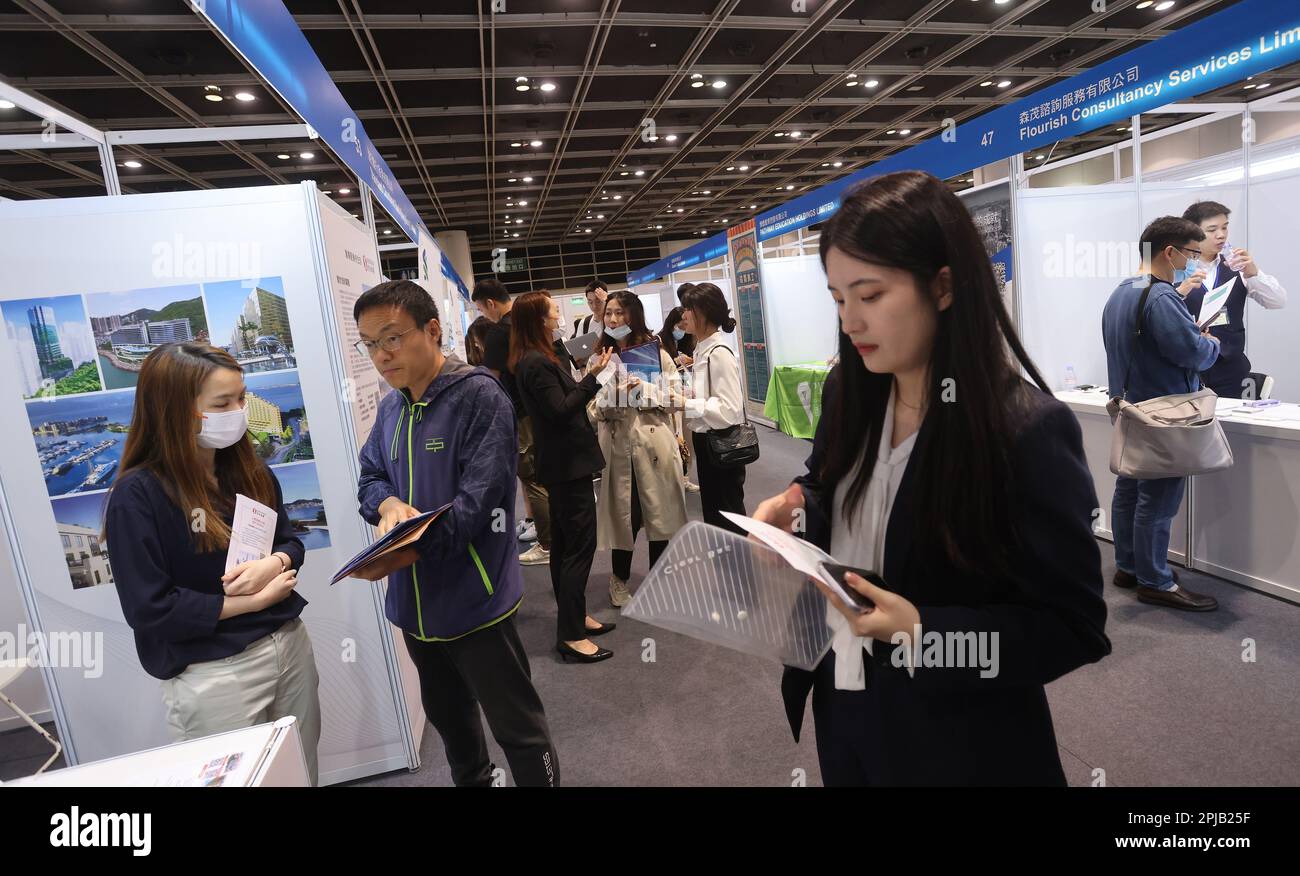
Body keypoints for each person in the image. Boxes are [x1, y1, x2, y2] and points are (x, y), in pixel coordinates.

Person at [756, 170, 1111, 786]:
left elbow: (1071, 628)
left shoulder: (1022, 432)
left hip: (960, 738)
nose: (850, 322)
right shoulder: (850, 393)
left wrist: (923, 633)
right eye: (839, 299)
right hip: (844, 702)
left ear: (943, 287)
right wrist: (793, 505)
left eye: (870, 296)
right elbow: (827, 481)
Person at [354, 280, 558, 787]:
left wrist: (401, 550)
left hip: (476, 600)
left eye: (392, 338)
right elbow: (370, 478)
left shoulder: (479, 397)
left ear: (432, 329)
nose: (381, 355)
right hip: (415, 608)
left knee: (518, 730)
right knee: (454, 729)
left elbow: (478, 507)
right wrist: (388, 503)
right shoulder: (391, 408)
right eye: (370, 343)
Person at [104, 343, 321, 784]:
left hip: (288, 646)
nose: (239, 411)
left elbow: (290, 542)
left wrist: (276, 561)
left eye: (241, 398)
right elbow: (151, 608)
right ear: (175, 411)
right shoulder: (138, 496)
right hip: (215, 673)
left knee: (301, 772)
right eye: (223, 403)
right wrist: (252, 600)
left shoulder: (249, 471)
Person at [1102, 218, 1222, 611]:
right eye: (1190, 253)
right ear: (1169, 252)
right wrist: (1210, 344)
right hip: (1164, 414)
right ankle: (1156, 581)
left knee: (1129, 489)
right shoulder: (1161, 297)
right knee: (1159, 498)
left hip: (1132, 408)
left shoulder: (1122, 292)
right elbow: (1189, 352)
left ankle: (1129, 567)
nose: (1193, 261)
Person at [510, 291, 617, 663]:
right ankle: (571, 635)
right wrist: (594, 377)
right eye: (554, 310)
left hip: (564, 464)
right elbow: (560, 411)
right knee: (578, 549)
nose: (559, 314)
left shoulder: (538, 358)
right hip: (567, 465)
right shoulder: (536, 362)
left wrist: (586, 378)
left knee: (566, 548)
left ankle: (575, 618)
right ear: (540, 319)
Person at [589, 291, 688, 608]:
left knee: (660, 515)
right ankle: (618, 580)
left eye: (620, 313)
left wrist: (645, 389)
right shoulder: (598, 359)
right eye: (609, 314)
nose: (614, 320)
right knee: (625, 517)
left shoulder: (656, 352)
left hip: (654, 442)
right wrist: (611, 396)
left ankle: (661, 578)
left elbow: (677, 399)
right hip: (617, 447)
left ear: (634, 315)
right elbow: (588, 410)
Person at [472, 278, 550, 566]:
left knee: (532, 480)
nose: (483, 315)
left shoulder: (498, 332)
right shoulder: (527, 323)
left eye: (481, 309)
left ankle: (547, 543)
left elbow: (490, 381)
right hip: (537, 409)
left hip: (518, 413)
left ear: (490, 303)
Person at [1178, 200, 1287, 399]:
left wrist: (1254, 273)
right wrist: (1180, 292)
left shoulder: (1238, 265)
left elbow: (1277, 301)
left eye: (1225, 227)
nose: (1221, 235)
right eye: (1212, 230)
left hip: (1232, 370)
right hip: (1188, 371)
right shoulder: (1177, 270)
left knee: (1238, 428)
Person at [677, 282, 747, 534]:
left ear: (703, 312)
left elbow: (729, 409)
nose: (683, 315)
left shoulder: (718, 352)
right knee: (715, 516)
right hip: (706, 442)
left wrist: (686, 402)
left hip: (720, 444)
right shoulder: (702, 350)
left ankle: (737, 570)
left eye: (688, 309)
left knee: (727, 518)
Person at [658, 305, 700, 494]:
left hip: (686, 396)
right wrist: (674, 363)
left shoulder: (687, 341)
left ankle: (685, 478)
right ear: (672, 323)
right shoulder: (659, 341)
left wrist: (687, 360)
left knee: (686, 441)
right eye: (681, 326)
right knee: (675, 439)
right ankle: (674, 478)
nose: (683, 330)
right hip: (670, 398)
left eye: (686, 326)